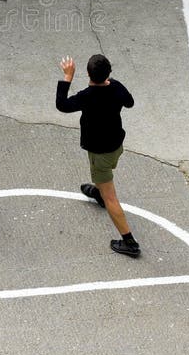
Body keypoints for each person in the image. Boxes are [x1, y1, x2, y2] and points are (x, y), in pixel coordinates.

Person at [55, 54, 140, 258]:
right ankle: (99, 193)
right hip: (115, 146)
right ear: (109, 73)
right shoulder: (116, 87)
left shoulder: (87, 96)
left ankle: (130, 242)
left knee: (111, 195)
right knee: (104, 174)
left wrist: (67, 76)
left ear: (88, 74)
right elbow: (130, 103)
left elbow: (62, 105)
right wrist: (116, 87)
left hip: (99, 152)